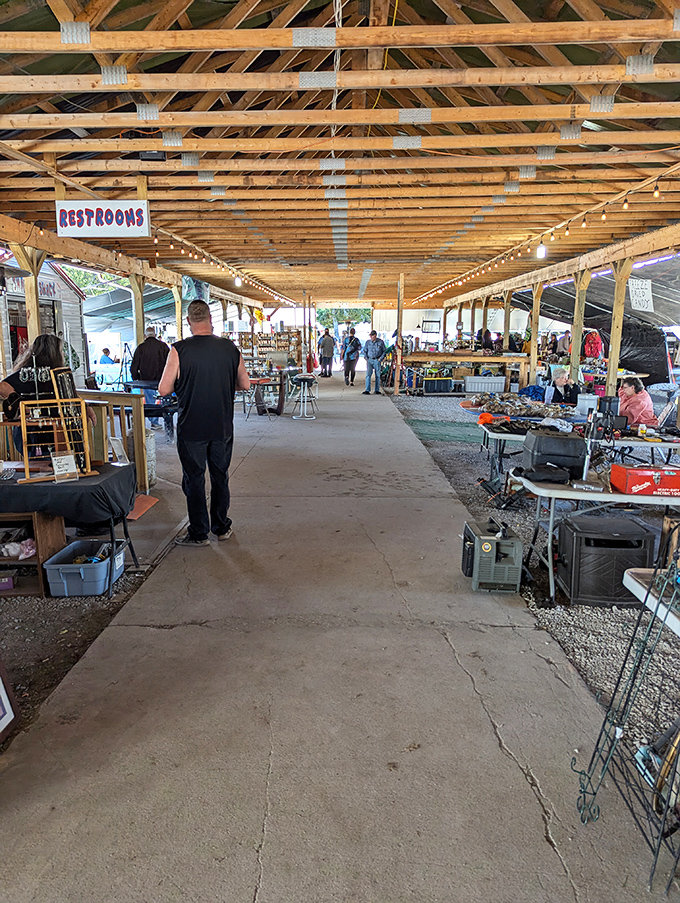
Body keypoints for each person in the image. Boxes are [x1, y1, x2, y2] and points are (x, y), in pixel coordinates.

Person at [158, 299, 251, 547]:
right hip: (221, 425)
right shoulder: (230, 348)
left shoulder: (178, 350)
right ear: (211, 319)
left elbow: (164, 388)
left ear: (188, 321)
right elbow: (245, 384)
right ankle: (221, 527)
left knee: (195, 478)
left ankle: (199, 532)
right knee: (220, 475)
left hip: (192, 427)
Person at [0, 333, 95, 454]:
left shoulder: (26, 373)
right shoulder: (47, 374)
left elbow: (4, 387)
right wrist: (21, 406)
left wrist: (85, 406)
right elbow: (2, 387)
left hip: (31, 432)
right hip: (50, 431)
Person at [131, 326, 170, 430]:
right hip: (162, 378)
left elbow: (134, 366)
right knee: (165, 400)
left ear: (145, 336)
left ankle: (154, 422)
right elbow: (170, 363)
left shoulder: (141, 348)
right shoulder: (163, 346)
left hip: (146, 380)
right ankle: (167, 421)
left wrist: (136, 378)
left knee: (150, 401)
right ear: (155, 335)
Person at [362, 330, 386, 395]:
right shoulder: (368, 342)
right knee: (368, 375)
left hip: (377, 360)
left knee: (377, 375)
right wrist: (366, 358)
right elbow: (364, 350)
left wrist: (380, 358)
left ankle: (377, 390)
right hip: (369, 360)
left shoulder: (380, 342)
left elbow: (384, 351)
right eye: (371, 336)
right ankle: (367, 390)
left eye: (373, 336)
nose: (372, 337)